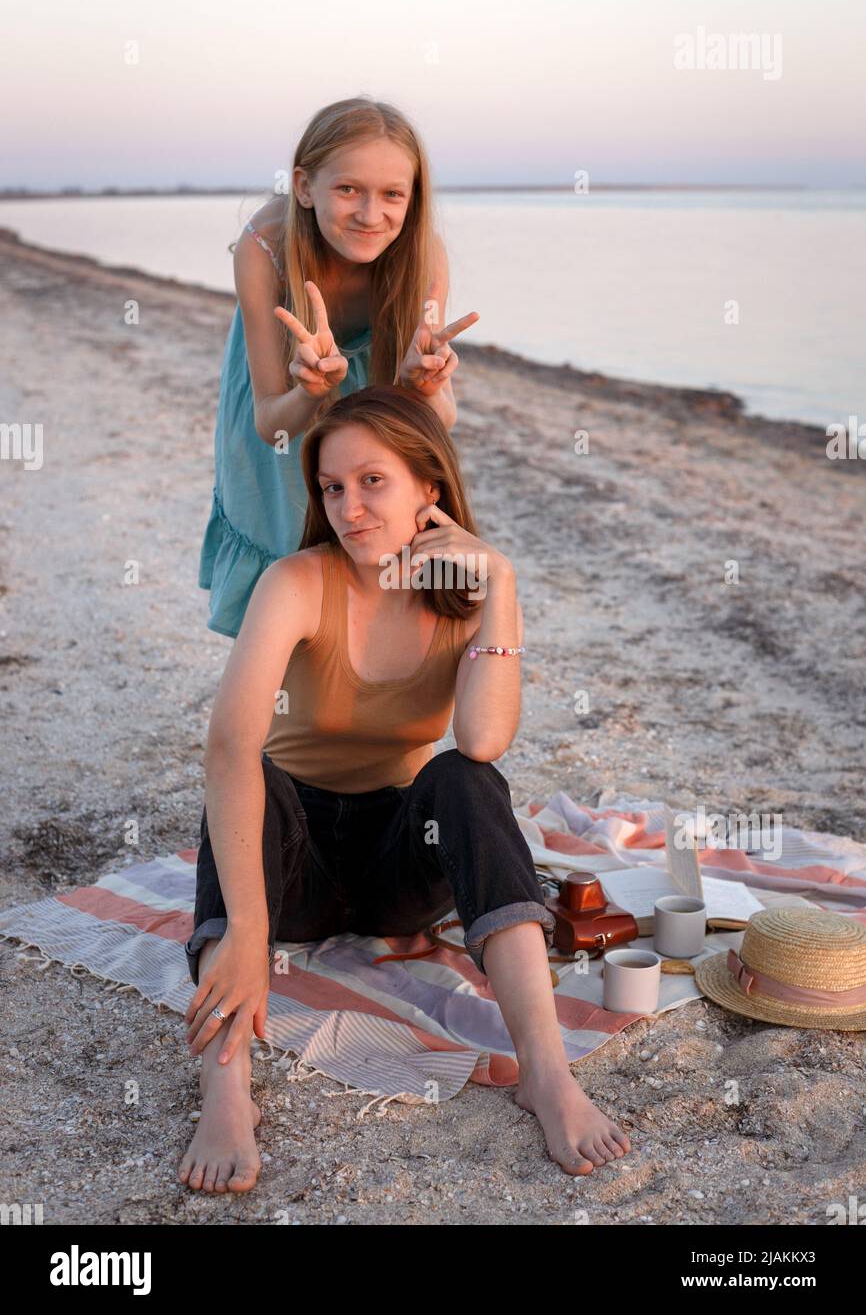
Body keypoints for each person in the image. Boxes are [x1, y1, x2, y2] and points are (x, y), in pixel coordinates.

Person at [178, 386, 632, 1194]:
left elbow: (484, 742)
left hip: (402, 862)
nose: (349, 508)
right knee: (247, 779)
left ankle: (546, 1075)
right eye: (331, 487)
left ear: (430, 485)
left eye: (373, 481)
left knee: (465, 778)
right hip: (294, 861)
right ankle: (227, 1092)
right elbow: (227, 746)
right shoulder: (296, 582)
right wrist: (251, 928)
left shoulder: (463, 600)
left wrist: (503, 588)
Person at [198, 94, 479, 638]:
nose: (371, 215)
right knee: (290, 544)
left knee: (370, 523)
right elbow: (270, 423)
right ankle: (278, 679)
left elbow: (439, 421)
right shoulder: (264, 248)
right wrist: (309, 391)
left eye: (392, 194)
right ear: (304, 186)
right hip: (286, 389)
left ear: (413, 198)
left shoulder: (423, 256)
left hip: (380, 396)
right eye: (348, 188)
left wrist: (426, 388)